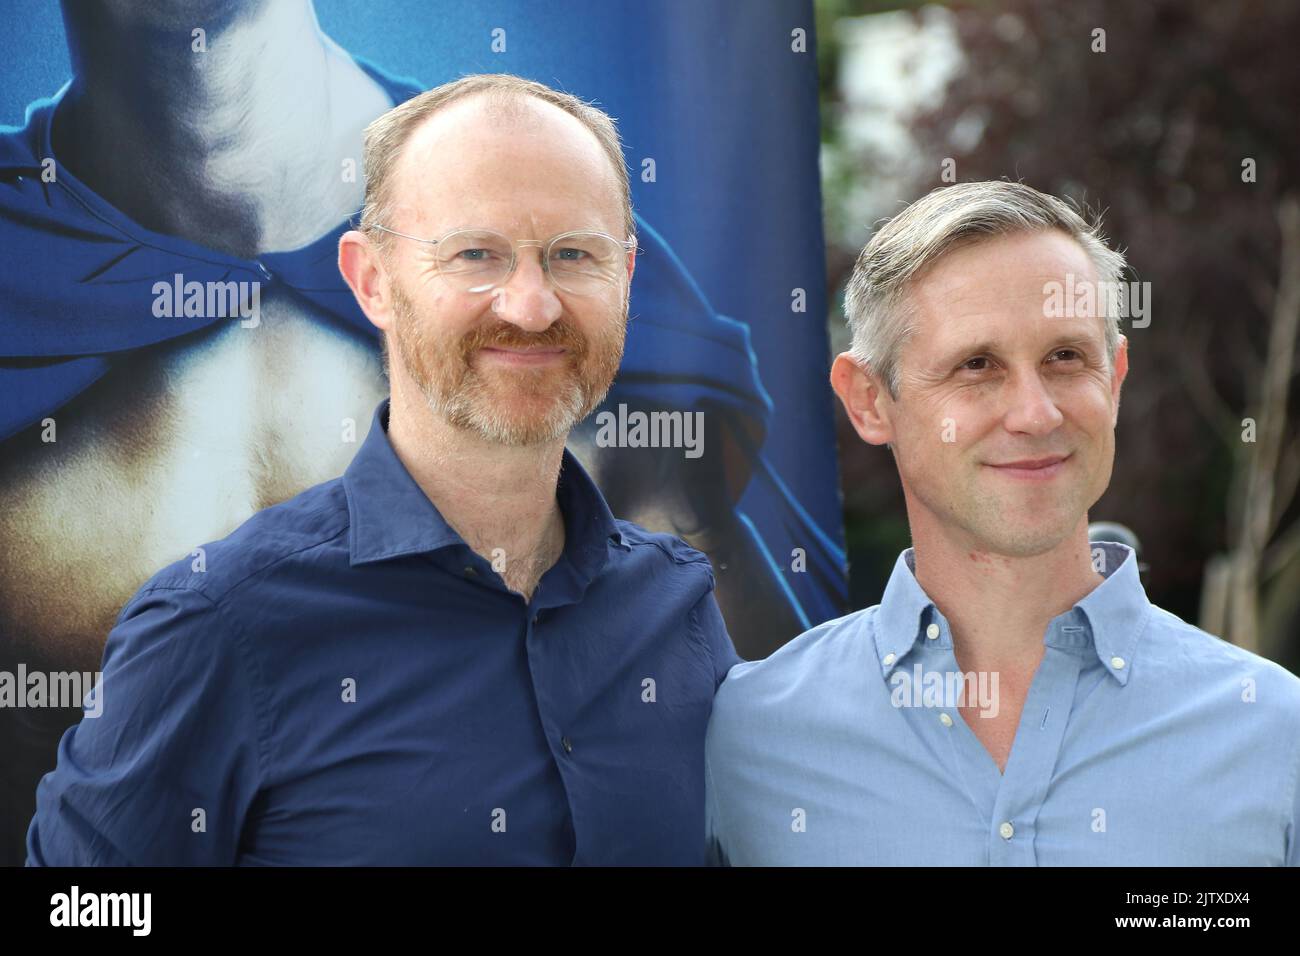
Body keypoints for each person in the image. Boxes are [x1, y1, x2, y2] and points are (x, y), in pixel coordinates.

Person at [27, 73, 738, 866]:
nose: (532, 306)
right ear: (372, 282)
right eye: (476, 254)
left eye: (574, 255)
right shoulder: (218, 626)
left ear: (627, 278)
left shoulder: (679, 606)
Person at [705, 180, 1300, 865]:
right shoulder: (749, 740)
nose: (1036, 413)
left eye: (1066, 357)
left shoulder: (1273, 735)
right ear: (869, 401)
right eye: (978, 365)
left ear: (1116, 377)